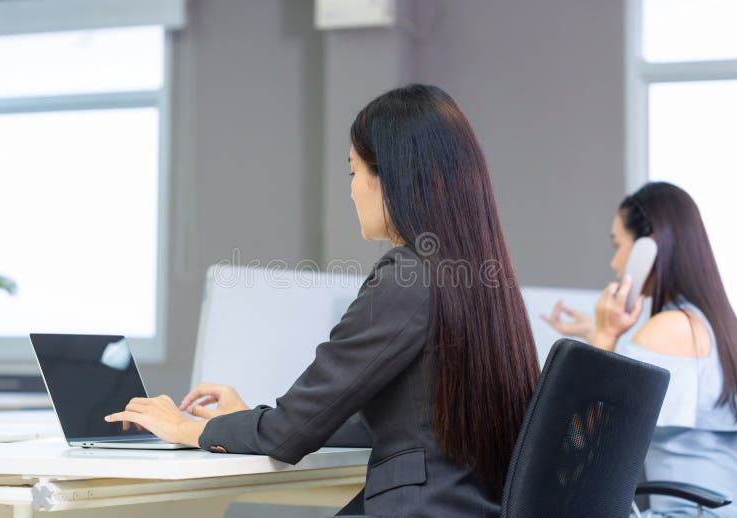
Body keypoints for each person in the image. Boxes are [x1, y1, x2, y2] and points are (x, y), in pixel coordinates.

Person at [105, 84, 540, 517]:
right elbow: (371, 427)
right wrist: (249, 419)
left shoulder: (406, 278)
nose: (352, 190)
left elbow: (289, 432)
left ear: (390, 176)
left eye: (354, 172)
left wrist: (186, 428)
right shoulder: (483, 281)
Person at [544, 181, 737, 517]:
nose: (615, 262)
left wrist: (606, 335)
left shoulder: (668, 329)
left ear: (647, 249)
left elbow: (582, 440)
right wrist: (595, 330)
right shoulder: (722, 330)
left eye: (618, 245)